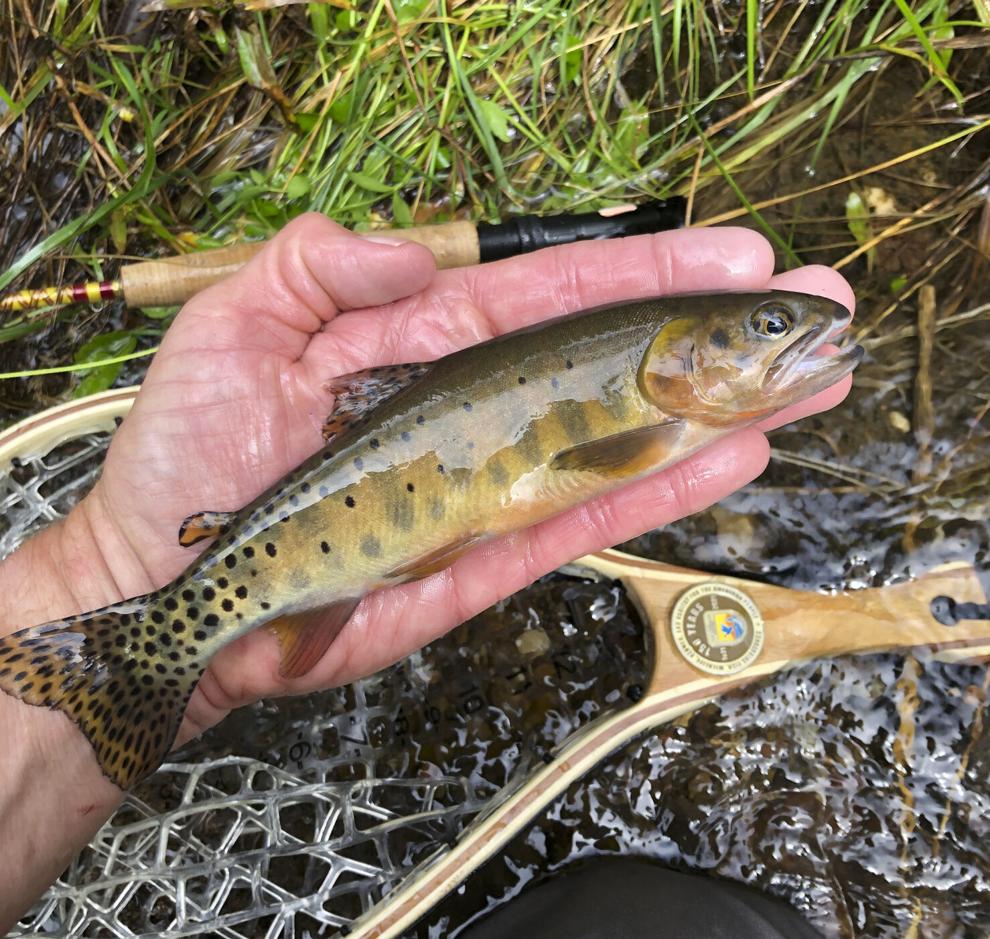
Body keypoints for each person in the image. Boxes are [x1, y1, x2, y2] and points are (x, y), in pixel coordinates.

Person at [0, 214, 854, 931]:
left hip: (353, 527)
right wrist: (108, 569)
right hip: (324, 530)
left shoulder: (663, 410)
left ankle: (123, 667)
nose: (790, 336)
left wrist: (94, 582)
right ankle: (143, 655)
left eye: (770, 327)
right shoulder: (656, 417)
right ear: (680, 354)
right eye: (769, 329)